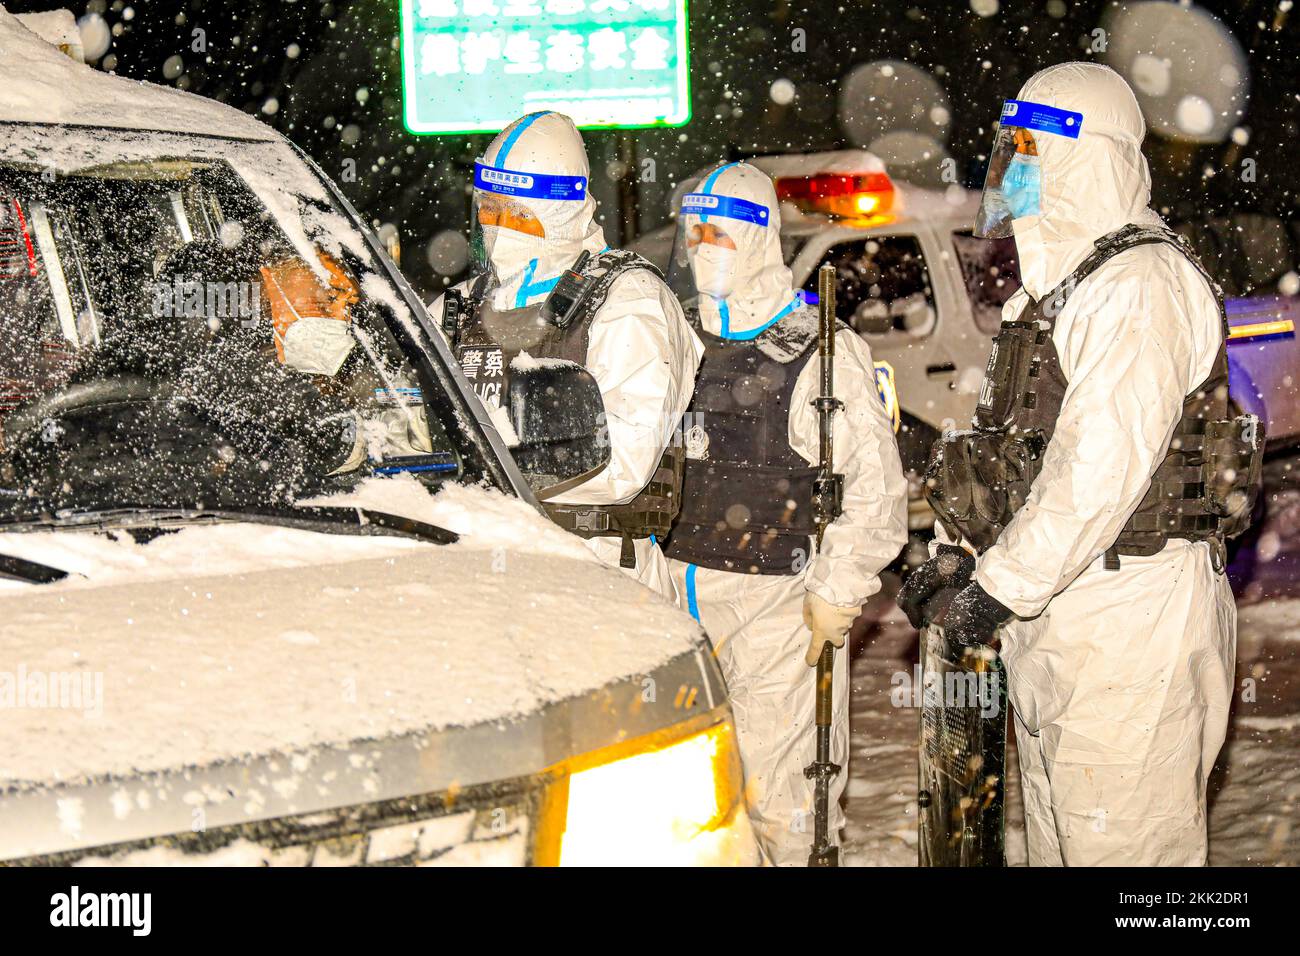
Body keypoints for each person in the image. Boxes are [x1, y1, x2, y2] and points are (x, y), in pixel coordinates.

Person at [898, 63, 1255, 866]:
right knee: (1065, 844)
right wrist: (960, 556)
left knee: (1126, 853)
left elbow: (1099, 466)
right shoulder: (1051, 296)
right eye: (1009, 148)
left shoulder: (1141, 285)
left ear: (1082, 157)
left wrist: (997, 588)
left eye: (1028, 149)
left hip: (1131, 618)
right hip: (1062, 613)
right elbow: (1009, 457)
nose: (1011, 169)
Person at [661, 162, 908, 865]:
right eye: (693, 230)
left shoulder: (822, 353)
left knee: (784, 800)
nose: (704, 245)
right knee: (688, 809)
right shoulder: (671, 338)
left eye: (720, 232)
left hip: (775, 606)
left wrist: (837, 589)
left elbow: (878, 492)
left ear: (761, 238)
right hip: (671, 601)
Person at [433, 111, 701, 601]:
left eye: (516, 214)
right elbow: (406, 423)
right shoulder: (457, 307)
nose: (497, 229)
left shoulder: (628, 301)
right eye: (489, 212)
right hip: (478, 561)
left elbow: (622, 463)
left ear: (558, 213)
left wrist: (480, 473)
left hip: (595, 567)